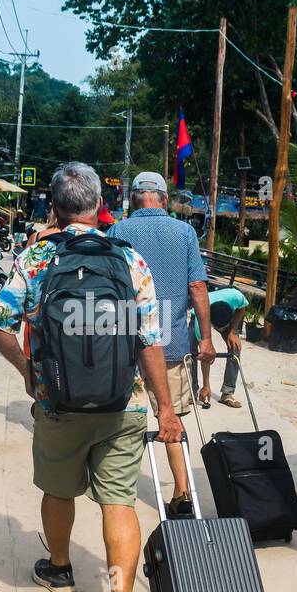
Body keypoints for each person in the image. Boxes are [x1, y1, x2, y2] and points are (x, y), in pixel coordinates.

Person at [0, 162, 184, 592]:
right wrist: (165, 407)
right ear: (100, 207)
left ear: (54, 208)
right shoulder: (129, 260)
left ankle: (60, 570)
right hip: (125, 403)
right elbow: (150, 342)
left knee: (59, 489)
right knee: (118, 499)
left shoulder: (37, 259)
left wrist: (30, 374)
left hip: (59, 403)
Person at [110, 172, 215, 516]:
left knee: (125, 419)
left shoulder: (118, 231)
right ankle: (182, 492)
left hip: (125, 344)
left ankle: (116, 492)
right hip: (170, 343)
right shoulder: (184, 232)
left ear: (134, 197)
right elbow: (198, 287)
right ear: (164, 199)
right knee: (172, 418)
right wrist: (207, 337)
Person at [189, 287, 249, 409]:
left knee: (235, 347)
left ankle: (227, 393)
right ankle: (192, 390)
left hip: (221, 312)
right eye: (218, 328)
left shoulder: (236, 296)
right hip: (200, 314)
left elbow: (242, 309)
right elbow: (205, 354)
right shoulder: (200, 320)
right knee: (191, 350)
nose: (220, 331)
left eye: (223, 327)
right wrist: (206, 385)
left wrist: (232, 332)